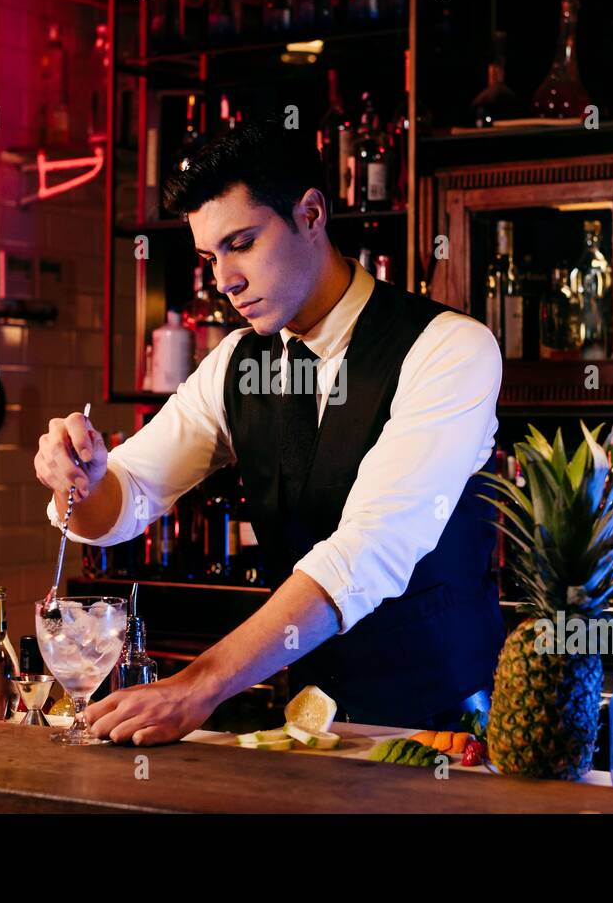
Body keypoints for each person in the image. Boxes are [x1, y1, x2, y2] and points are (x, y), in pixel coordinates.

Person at [34, 117, 504, 744]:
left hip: (439, 733)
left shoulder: (449, 349)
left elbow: (367, 551)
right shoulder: (237, 362)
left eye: (243, 243)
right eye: (210, 257)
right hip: (306, 731)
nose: (223, 280)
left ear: (311, 214)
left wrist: (198, 683)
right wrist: (84, 479)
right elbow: (129, 497)